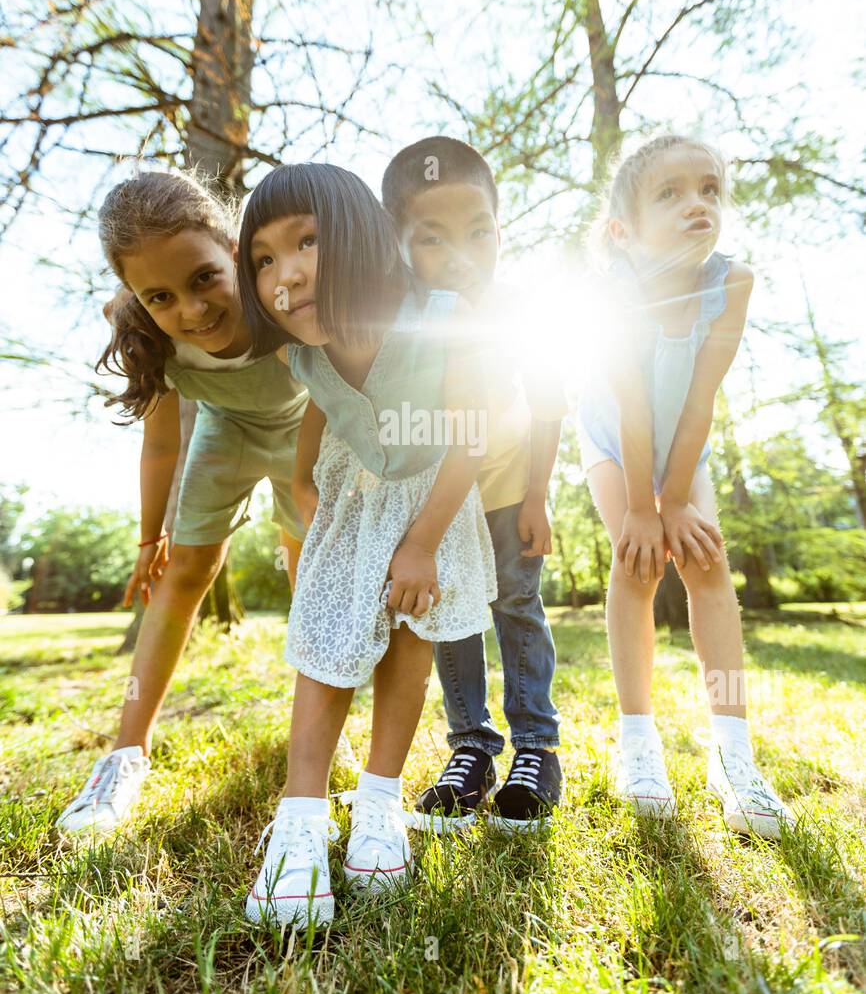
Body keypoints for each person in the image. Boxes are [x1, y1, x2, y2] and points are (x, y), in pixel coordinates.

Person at [237, 162, 497, 928]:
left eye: (306, 242)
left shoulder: (442, 317)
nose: (284, 273)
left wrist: (421, 544)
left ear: (357, 236)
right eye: (262, 259)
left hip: (435, 495)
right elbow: (323, 405)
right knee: (325, 642)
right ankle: (301, 819)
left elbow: (471, 441)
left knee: (410, 639)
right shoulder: (303, 351)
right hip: (355, 496)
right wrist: (304, 482)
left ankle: (380, 799)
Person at [56, 168, 309, 837]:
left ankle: (312, 737)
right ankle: (125, 753)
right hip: (226, 435)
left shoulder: (279, 293)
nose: (193, 312)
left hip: (308, 435)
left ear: (232, 247)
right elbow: (163, 448)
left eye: (203, 278)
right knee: (184, 572)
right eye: (161, 295)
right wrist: (149, 540)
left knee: (308, 578)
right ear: (137, 297)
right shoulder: (150, 335)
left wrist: (311, 487)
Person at [577, 134, 794, 837]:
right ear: (623, 232)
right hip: (615, 437)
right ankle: (637, 742)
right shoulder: (612, 294)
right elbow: (633, 405)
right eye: (669, 194)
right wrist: (644, 508)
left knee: (708, 563)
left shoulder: (733, 284)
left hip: (681, 442)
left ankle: (733, 756)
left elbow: (700, 400)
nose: (697, 204)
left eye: (709, 189)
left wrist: (676, 496)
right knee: (637, 564)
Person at [380, 137, 567, 833]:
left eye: (478, 232)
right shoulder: (402, 319)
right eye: (433, 239)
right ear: (399, 245)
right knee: (451, 617)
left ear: (499, 229)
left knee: (517, 605)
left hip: (509, 487)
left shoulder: (519, 309)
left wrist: (541, 495)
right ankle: (471, 749)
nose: (461, 253)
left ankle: (537, 750)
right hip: (438, 501)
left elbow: (548, 404)